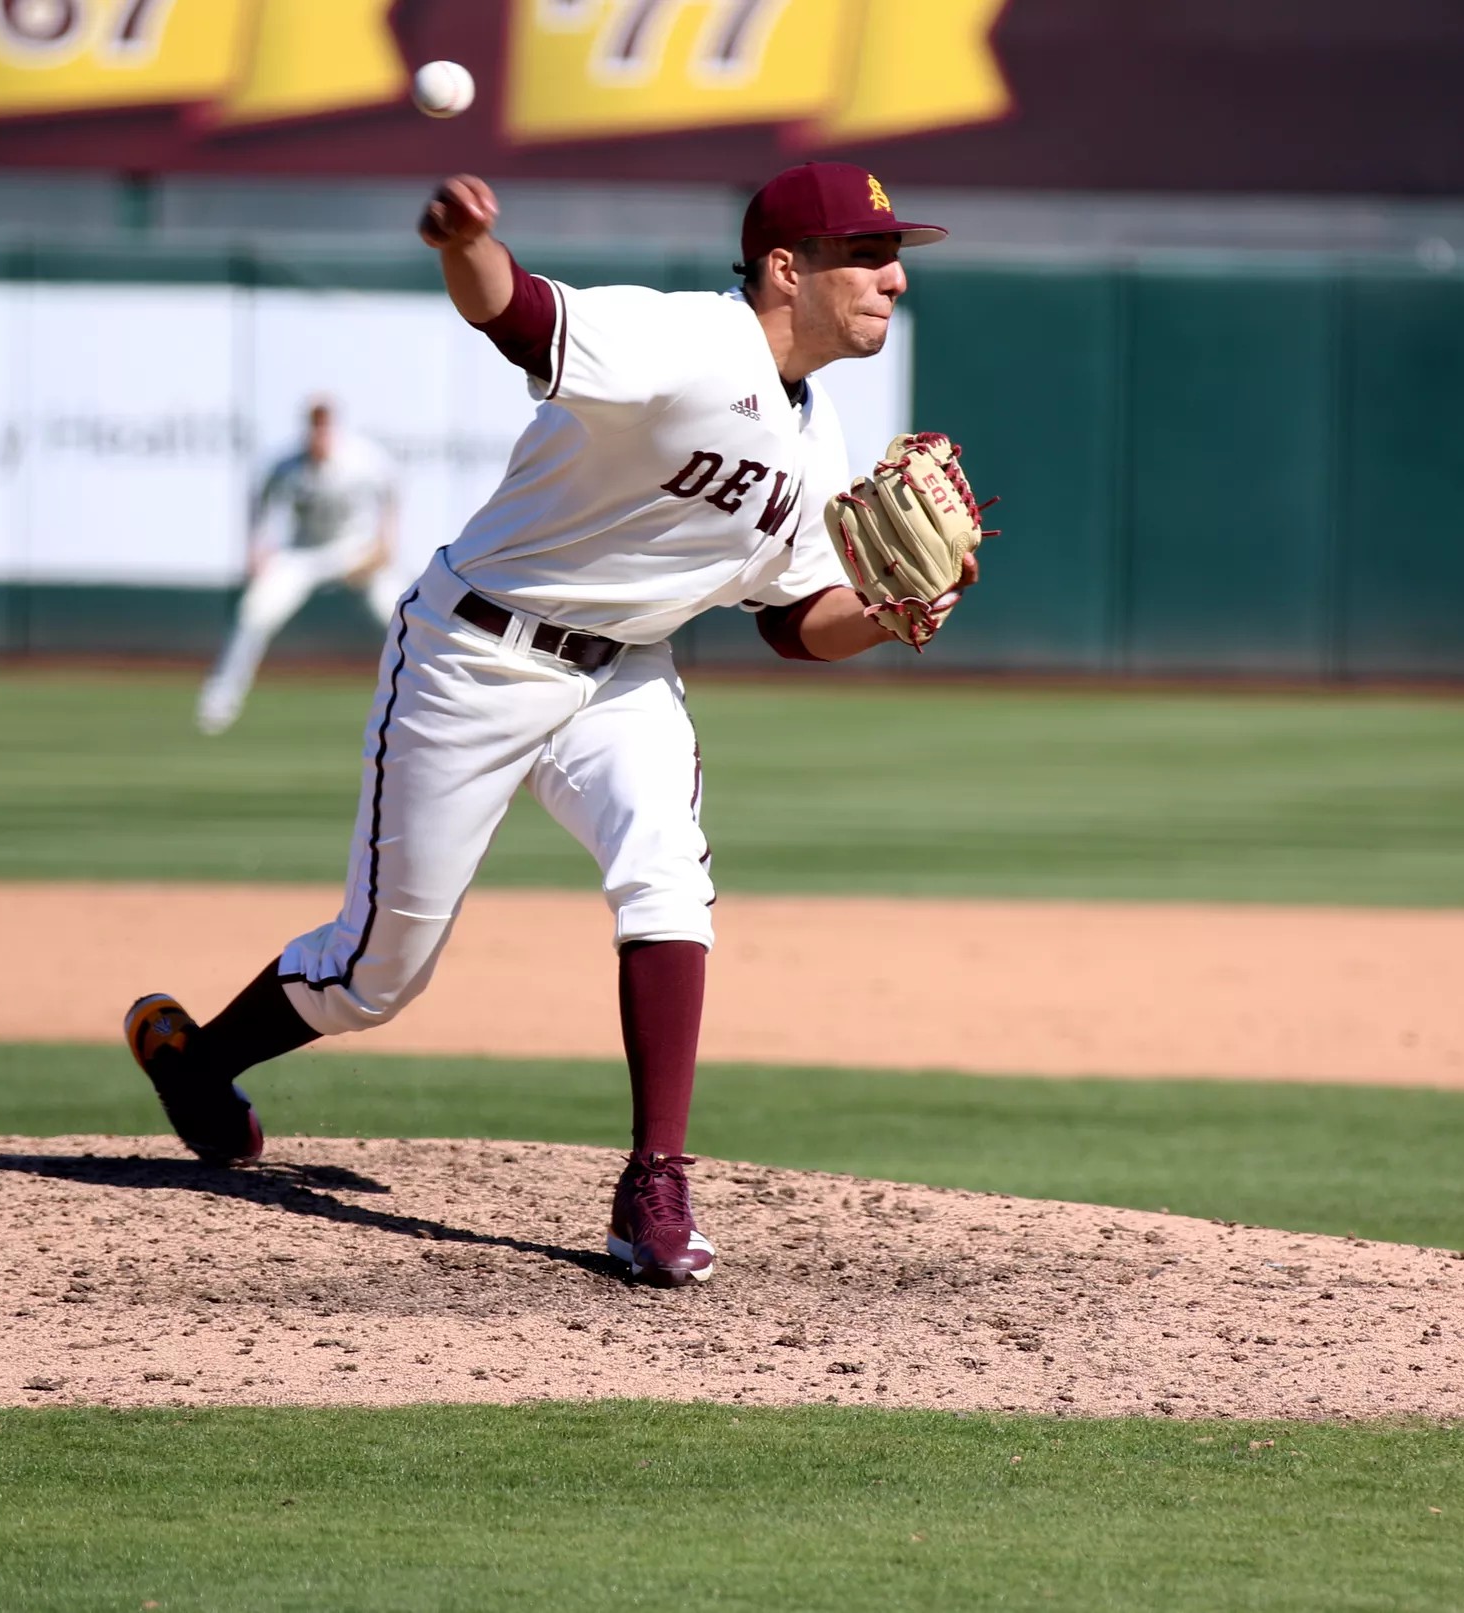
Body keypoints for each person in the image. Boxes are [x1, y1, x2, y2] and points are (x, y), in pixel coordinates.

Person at [126, 161, 974, 1286]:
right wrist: (461, 243)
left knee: (666, 872)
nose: (892, 278)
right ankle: (198, 1063)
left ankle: (654, 1183)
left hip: (622, 675)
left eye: (892, 255)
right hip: (475, 651)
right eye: (866, 255)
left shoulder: (815, 438)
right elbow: (521, 316)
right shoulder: (686, 342)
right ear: (786, 269)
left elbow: (788, 620)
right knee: (379, 973)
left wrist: (879, 616)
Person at [197, 399, 402, 735]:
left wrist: (385, 543)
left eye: (324, 425)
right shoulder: (286, 464)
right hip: (303, 552)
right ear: (307, 429)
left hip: (354, 548)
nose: (319, 433)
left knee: (400, 611)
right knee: (255, 611)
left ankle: (424, 697)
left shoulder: (363, 458)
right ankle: (221, 698)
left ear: (333, 427)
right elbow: (259, 499)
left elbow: (392, 490)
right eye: (314, 426)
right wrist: (257, 546)